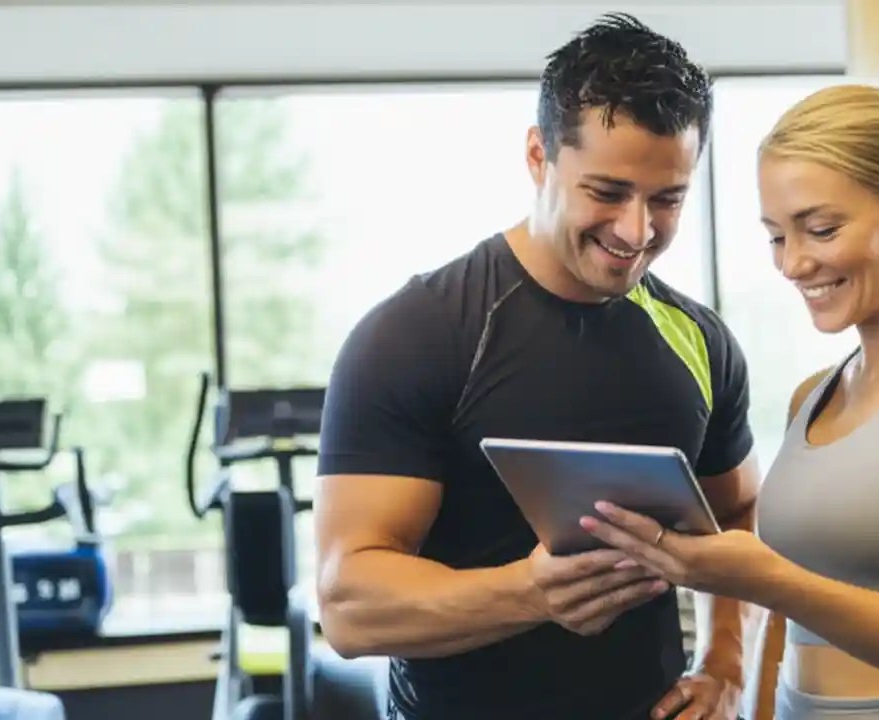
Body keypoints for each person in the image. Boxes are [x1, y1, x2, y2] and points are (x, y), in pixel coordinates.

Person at [312, 13, 761, 720]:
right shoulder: (419, 334)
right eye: (607, 192)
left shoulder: (699, 341)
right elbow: (348, 606)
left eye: (667, 199)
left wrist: (727, 663)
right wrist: (529, 593)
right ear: (537, 157)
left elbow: (735, 513)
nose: (637, 232)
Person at [580, 83, 879, 720]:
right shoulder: (812, 397)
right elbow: (792, 624)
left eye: (820, 229)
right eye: (777, 237)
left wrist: (763, 577)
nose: (793, 264)